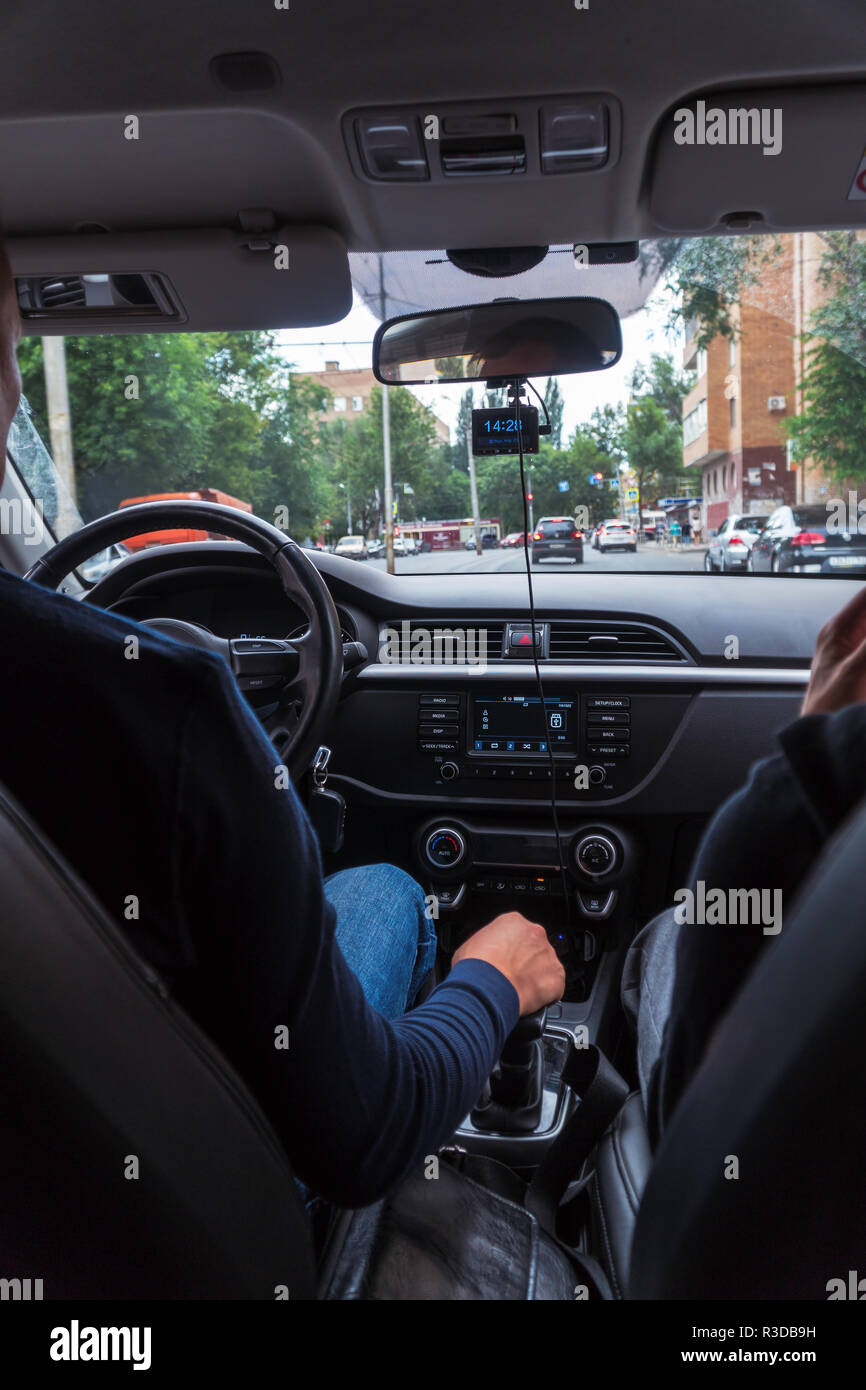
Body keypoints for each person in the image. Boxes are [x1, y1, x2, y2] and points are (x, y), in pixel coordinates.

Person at [0, 243, 565, 1219]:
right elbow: (366, 1131)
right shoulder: (173, 707)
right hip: (191, 1219)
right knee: (386, 888)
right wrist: (491, 982)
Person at [624, 582, 866, 1146]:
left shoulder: (779, 822)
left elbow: (690, 1134)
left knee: (668, 929)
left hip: (731, 1196)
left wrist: (812, 764)